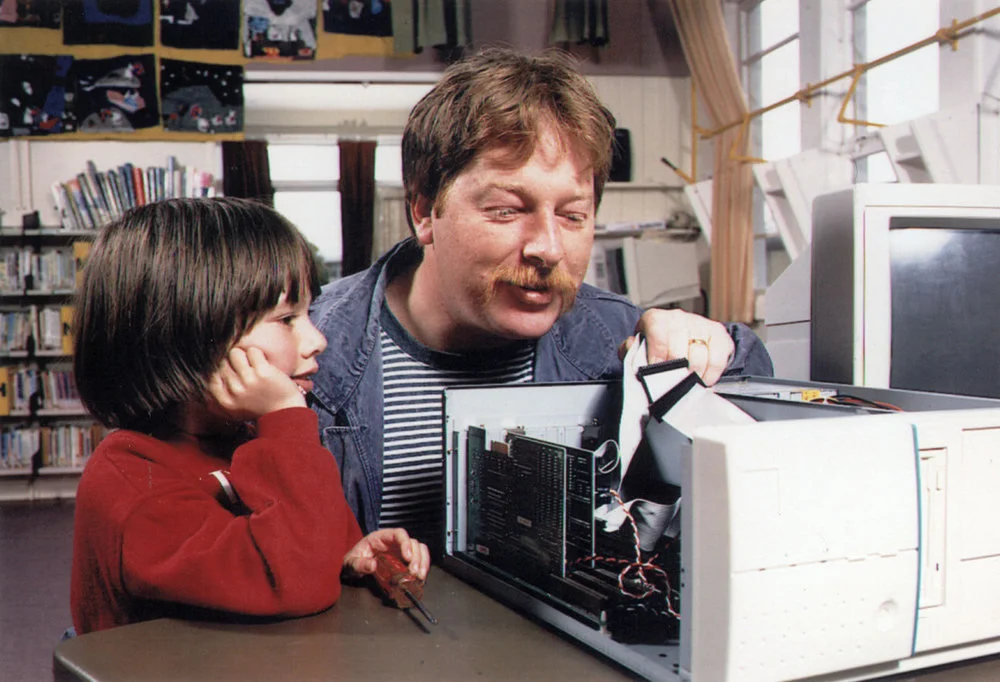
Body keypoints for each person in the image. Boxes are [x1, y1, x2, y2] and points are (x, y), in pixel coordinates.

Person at [309, 47, 773, 555]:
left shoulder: (614, 341)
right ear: (423, 211)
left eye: (572, 216)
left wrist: (711, 346)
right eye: (508, 210)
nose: (548, 248)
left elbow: (766, 402)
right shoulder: (306, 353)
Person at [70, 197, 430, 635]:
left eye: (308, 313)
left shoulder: (246, 438)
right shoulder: (131, 483)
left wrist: (350, 554)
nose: (317, 340)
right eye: (287, 319)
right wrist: (285, 416)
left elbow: (312, 542)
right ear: (191, 336)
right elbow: (295, 583)